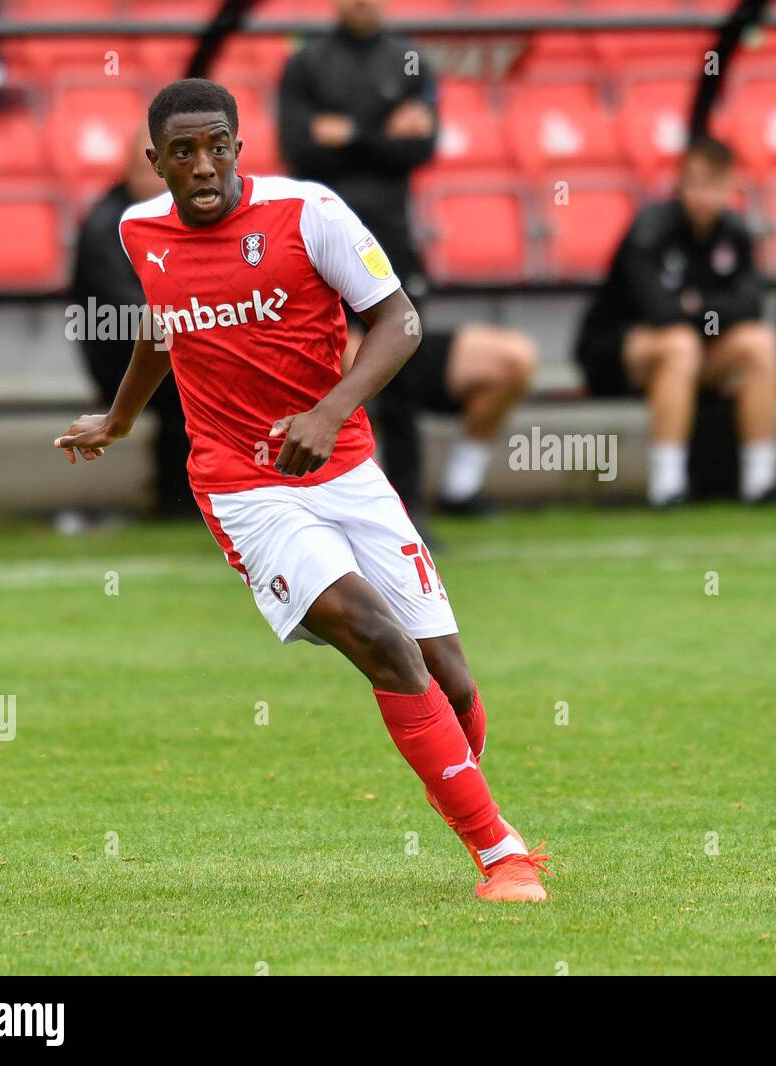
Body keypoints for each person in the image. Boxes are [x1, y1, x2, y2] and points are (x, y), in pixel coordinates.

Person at [54, 79, 549, 903]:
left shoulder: (309, 212)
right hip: (242, 487)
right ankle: (502, 855)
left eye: (217, 146)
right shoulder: (140, 231)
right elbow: (161, 325)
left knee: (451, 681)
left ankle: (461, 793)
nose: (203, 164)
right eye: (183, 152)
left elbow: (401, 322)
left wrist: (329, 411)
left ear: (241, 147)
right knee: (378, 639)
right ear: (156, 162)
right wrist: (117, 419)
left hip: (347, 468)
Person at [278, 0, 535, 517]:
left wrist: (346, 134)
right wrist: (381, 132)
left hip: (390, 240)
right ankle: (320, 504)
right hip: (317, 243)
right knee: (323, 371)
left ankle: (410, 509)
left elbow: (419, 145)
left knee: (399, 368)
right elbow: (299, 147)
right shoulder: (306, 62)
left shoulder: (410, 59)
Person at [575, 136, 776, 507]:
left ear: (729, 187)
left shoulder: (735, 233)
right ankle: (667, 484)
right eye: (696, 184)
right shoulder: (650, 229)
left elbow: (752, 304)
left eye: (714, 185)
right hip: (618, 353)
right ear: (681, 184)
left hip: (697, 351)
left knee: (760, 343)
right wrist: (711, 309)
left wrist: (697, 306)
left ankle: (760, 482)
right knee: (678, 344)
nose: (704, 196)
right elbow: (658, 310)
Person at [68, 125, 191, 517]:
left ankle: (187, 496)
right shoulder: (108, 225)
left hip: (171, 338)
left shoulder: (181, 219)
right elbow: (128, 307)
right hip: (118, 349)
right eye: (143, 172)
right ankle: (181, 499)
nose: (156, 185)